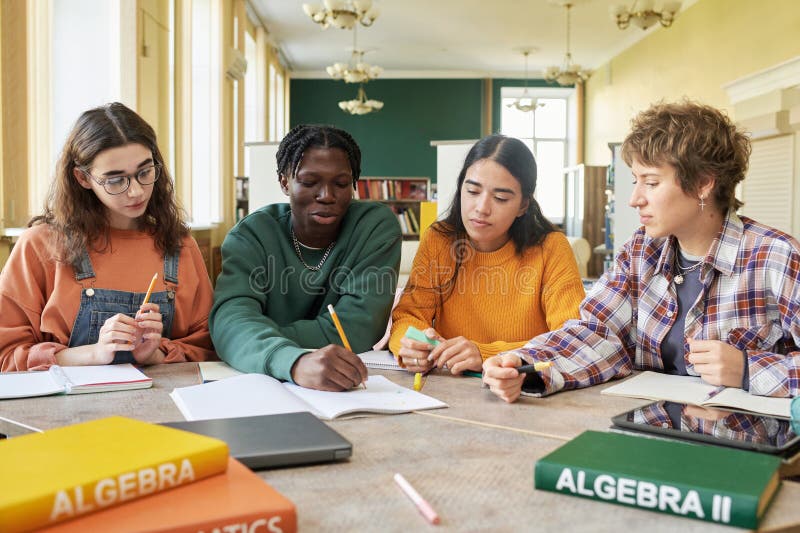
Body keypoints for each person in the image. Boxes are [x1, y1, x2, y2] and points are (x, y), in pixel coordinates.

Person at [483, 101, 800, 402]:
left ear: (703, 183)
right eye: (636, 181)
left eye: (651, 182)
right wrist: (523, 363)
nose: (634, 199)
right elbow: (596, 332)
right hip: (648, 429)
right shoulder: (640, 251)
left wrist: (747, 369)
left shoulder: (776, 257)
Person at [0, 103, 215, 371]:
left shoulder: (179, 245)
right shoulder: (39, 246)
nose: (136, 191)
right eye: (115, 180)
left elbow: (208, 347)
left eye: (145, 172)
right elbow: (6, 357)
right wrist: (93, 354)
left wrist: (155, 355)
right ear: (82, 178)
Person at [210, 124, 401, 391]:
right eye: (310, 182)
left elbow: (359, 328)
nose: (326, 196)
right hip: (262, 386)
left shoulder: (373, 227)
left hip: (345, 388)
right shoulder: (250, 235)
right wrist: (293, 361)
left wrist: (255, 340)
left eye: (341, 184)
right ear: (284, 182)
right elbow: (231, 321)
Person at [389, 134, 584, 375]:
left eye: (500, 198)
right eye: (472, 191)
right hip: (450, 387)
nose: (481, 208)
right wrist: (412, 345)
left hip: (522, 389)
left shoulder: (550, 248)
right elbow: (407, 316)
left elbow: (572, 339)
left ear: (523, 205)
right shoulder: (439, 240)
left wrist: (486, 353)